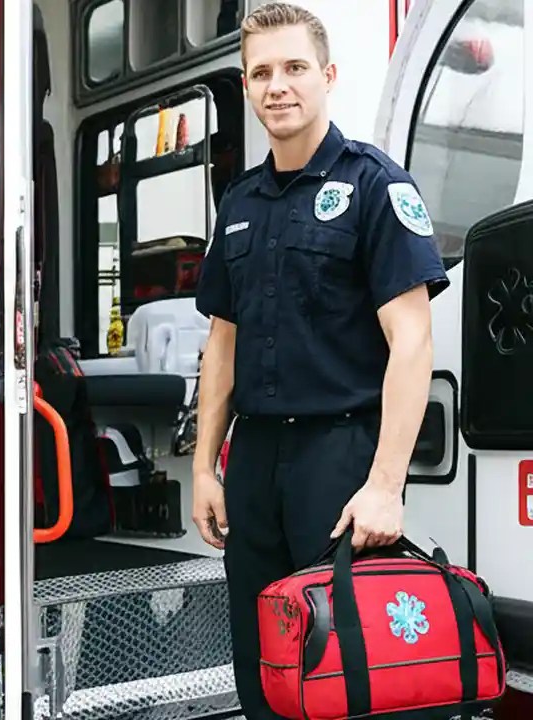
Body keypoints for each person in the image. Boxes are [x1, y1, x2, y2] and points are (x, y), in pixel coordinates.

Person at [190, 4, 449, 719]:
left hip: (340, 460)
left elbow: (412, 341)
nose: (278, 86)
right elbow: (222, 343)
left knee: (345, 667)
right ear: (247, 84)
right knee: (263, 662)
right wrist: (205, 467)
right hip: (254, 460)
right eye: (261, 73)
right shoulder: (239, 202)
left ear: (328, 76)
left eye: (294, 68)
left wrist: (385, 486)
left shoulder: (375, 185)